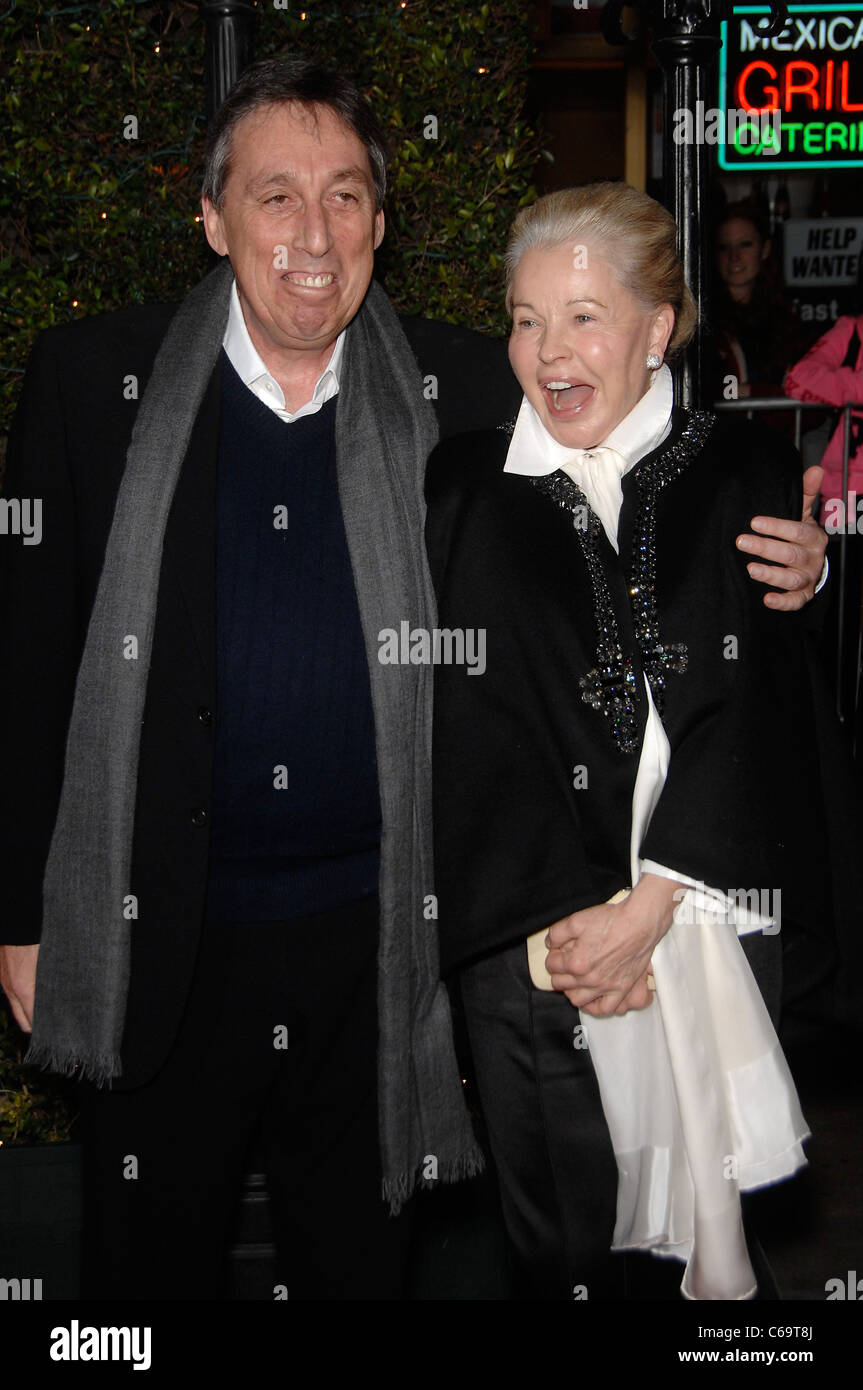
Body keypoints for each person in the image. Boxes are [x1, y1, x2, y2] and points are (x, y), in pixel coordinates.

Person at [0, 62, 826, 1301]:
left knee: (358, 1276)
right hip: (157, 938)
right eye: (274, 197)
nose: (312, 234)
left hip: (381, 946)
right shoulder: (89, 384)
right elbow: (27, 657)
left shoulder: (470, 390)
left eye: (343, 197)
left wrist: (783, 555)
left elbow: (633, 441)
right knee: (139, 1289)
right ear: (212, 217)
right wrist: (20, 910)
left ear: (381, 224)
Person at [425, 182, 834, 1301]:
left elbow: (757, 709)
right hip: (530, 947)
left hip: (702, 916)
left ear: (657, 328)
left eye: (583, 316)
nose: (547, 351)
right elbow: (467, 720)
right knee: (559, 1252)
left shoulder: (743, 473)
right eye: (523, 318)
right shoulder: (460, 486)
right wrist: (564, 918)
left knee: (683, 1269)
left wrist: (650, 901)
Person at [712, 199, 805, 400]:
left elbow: (812, 396)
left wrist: (753, 393)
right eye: (723, 247)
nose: (734, 257)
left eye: (745, 245)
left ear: (765, 249)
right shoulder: (704, 323)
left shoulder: (785, 321)